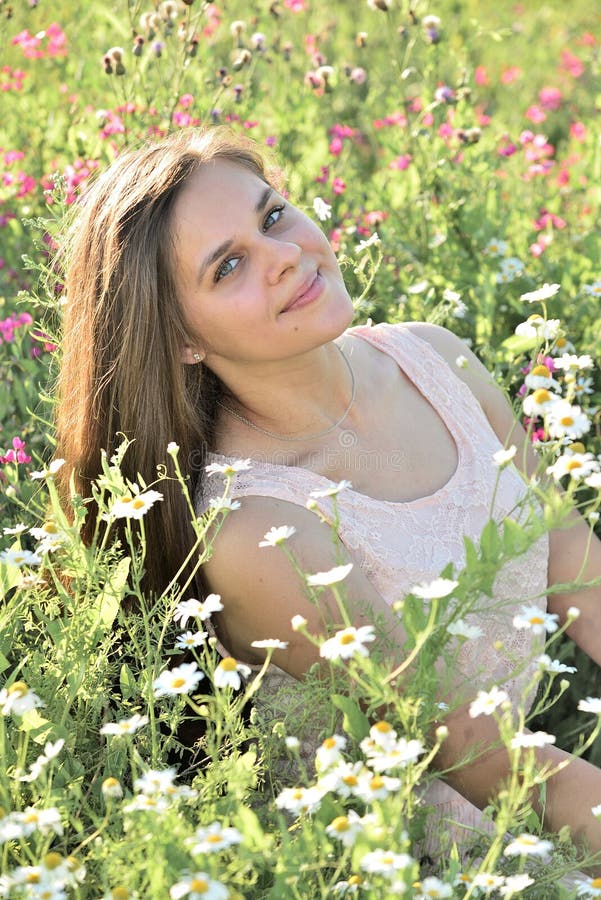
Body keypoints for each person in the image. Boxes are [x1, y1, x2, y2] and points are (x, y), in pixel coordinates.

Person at [55, 126, 601, 864]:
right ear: (183, 339)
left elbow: (576, 564)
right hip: (417, 861)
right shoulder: (255, 528)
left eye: (271, 216)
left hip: (549, 799)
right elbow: (475, 756)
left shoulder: (431, 358)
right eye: (228, 267)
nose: (284, 257)